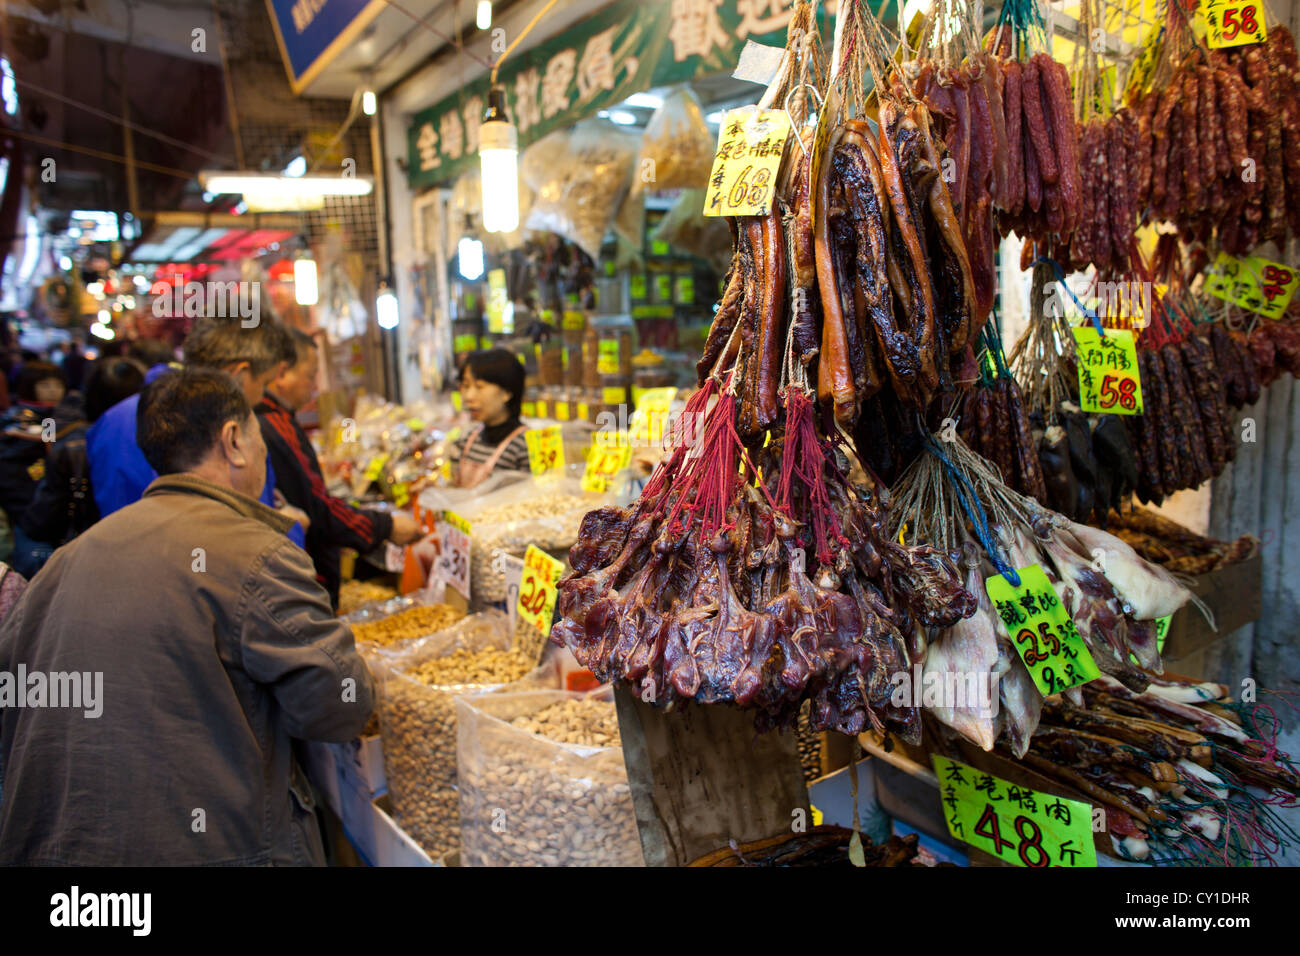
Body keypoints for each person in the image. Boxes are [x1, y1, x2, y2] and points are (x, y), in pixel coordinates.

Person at [0, 368, 374, 865]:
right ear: (234, 440)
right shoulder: (256, 553)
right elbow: (337, 705)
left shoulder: (68, 559)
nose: (265, 456)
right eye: (259, 438)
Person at [86, 313, 308, 544]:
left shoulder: (110, 421)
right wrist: (290, 528)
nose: (262, 397)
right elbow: (253, 545)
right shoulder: (226, 428)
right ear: (239, 375)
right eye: (263, 383)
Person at [257, 329, 419, 610]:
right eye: (311, 375)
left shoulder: (270, 420)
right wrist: (385, 526)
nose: (315, 387)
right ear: (282, 373)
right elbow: (316, 508)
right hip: (303, 584)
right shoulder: (273, 425)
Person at [19, 357, 146, 558]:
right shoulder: (157, 438)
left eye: (56, 384)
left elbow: (44, 518)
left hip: (90, 551)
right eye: (44, 385)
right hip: (140, 546)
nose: (52, 390)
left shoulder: (74, 445)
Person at [450, 348, 531, 487]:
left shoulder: (526, 445)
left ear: (507, 392)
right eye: (465, 386)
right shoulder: (467, 439)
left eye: (479, 386)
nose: (468, 397)